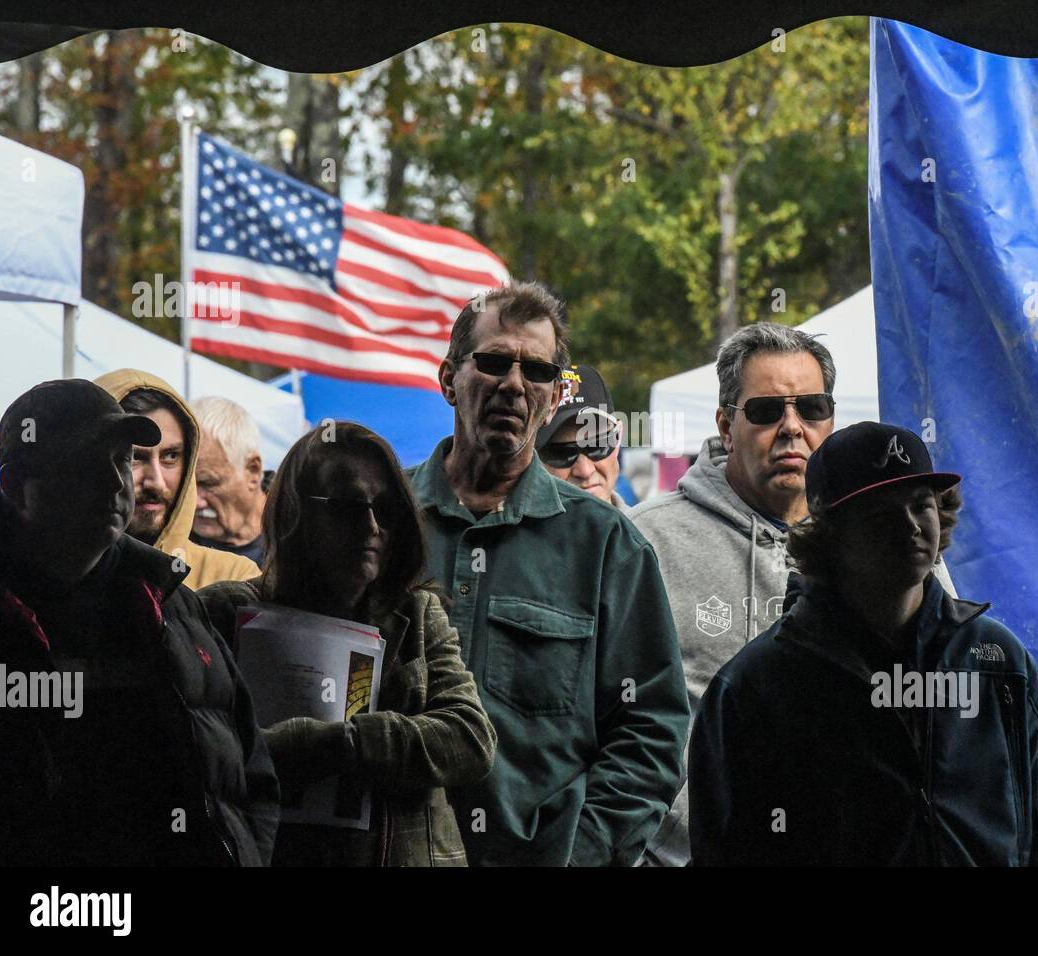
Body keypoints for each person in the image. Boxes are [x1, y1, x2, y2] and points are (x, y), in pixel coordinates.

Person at [633, 323, 959, 865]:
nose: (791, 428)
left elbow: (952, 690)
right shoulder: (648, 543)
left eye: (811, 408)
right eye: (765, 411)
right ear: (724, 424)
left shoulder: (893, 542)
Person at [688, 422, 1038, 866]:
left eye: (922, 505)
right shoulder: (755, 687)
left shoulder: (996, 660)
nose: (911, 526)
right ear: (830, 534)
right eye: (880, 513)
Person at [405, 281, 690, 866]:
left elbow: (652, 732)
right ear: (447, 378)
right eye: (493, 362)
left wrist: (581, 853)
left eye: (536, 371)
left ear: (555, 396)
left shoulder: (608, 545)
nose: (514, 383)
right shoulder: (383, 518)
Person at [0, 379, 278, 865]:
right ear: (15, 486)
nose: (119, 483)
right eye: (86, 465)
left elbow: (249, 770)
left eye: (121, 459)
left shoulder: (170, 602)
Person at [200, 422, 496, 866]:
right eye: (347, 506)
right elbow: (192, 751)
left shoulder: (417, 617)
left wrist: (334, 745)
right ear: (295, 512)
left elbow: (470, 738)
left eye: (385, 507)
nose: (372, 525)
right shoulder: (225, 614)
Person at [94, 370, 260, 589]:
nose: (156, 481)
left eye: (170, 457)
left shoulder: (232, 576)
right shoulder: (45, 577)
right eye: (134, 457)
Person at [535, 363, 630, 513]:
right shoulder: (508, 535)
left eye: (598, 444)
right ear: (532, 457)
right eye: (562, 453)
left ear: (618, 439)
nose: (585, 471)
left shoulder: (648, 533)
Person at [190, 395, 269, 567]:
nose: (195, 502)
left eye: (208, 483)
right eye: (187, 485)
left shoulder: (303, 536)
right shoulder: (167, 547)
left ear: (252, 471)